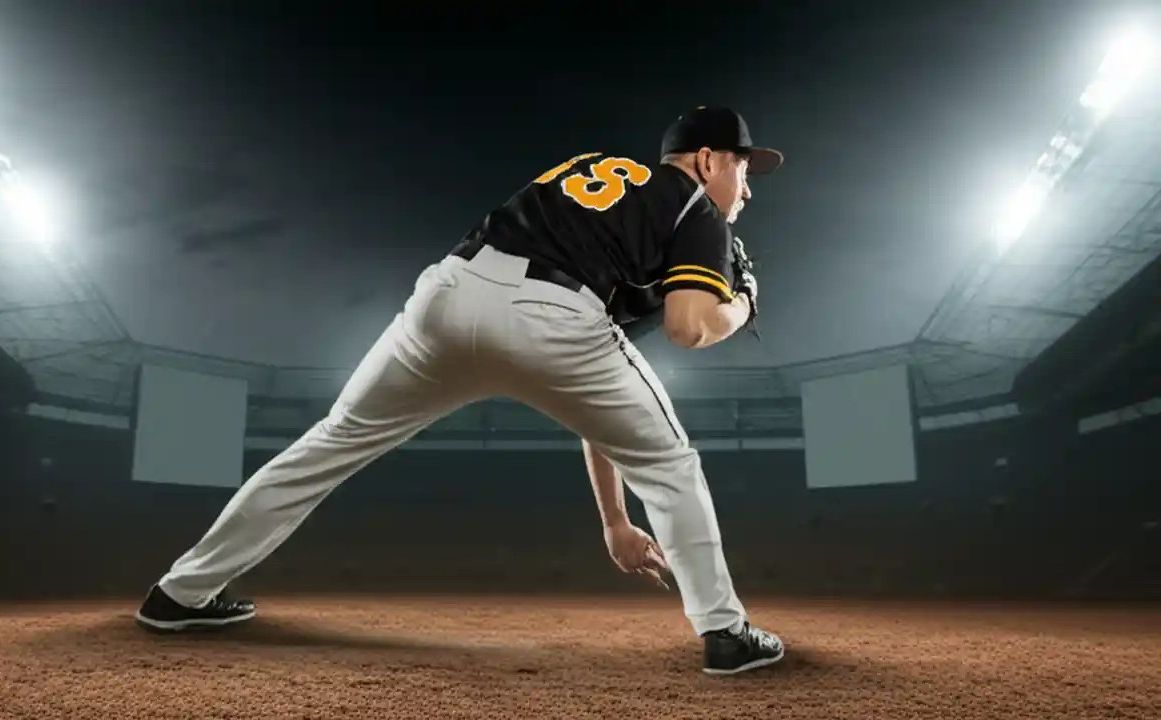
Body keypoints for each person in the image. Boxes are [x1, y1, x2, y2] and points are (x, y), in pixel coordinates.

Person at [134, 105, 785, 676]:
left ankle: (179, 594)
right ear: (706, 160)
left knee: (328, 444)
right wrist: (742, 304)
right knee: (671, 465)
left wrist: (616, 520)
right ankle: (725, 635)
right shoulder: (698, 209)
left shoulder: (598, 175)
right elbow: (690, 327)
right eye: (742, 166)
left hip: (449, 293)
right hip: (555, 314)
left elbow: (602, 394)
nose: (748, 187)